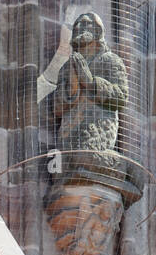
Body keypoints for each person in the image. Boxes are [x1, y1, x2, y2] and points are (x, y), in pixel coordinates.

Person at [52, 12, 128, 158]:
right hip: (69, 135)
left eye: (86, 23)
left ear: (98, 31)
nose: (79, 27)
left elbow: (121, 96)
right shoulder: (67, 67)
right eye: (76, 25)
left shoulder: (110, 60)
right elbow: (57, 107)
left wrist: (90, 83)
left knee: (87, 158)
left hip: (97, 131)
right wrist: (72, 87)